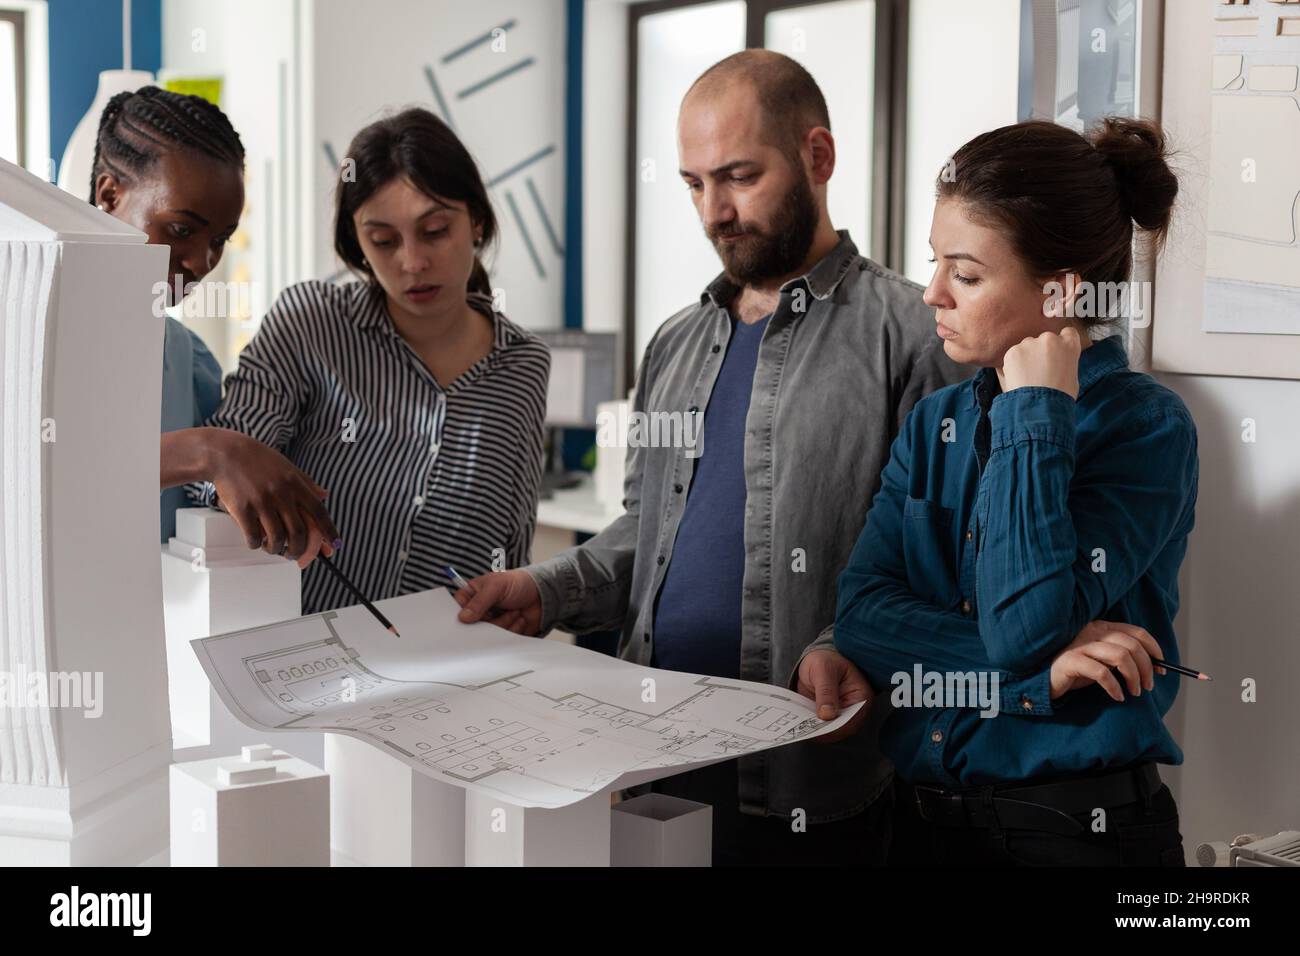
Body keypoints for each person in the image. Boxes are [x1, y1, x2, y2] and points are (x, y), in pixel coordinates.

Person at [455, 50, 968, 866]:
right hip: (655, 763)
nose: (714, 211)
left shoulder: (911, 333)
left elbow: (941, 558)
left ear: (818, 158)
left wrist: (846, 641)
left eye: (738, 177)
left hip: (814, 781)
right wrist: (544, 589)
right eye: (694, 184)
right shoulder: (676, 342)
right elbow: (645, 533)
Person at [833, 117, 1196, 866]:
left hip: (1068, 835)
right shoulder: (937, 419)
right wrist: (1042, 677)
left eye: (965, 275)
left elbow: (1023, 626)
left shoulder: (1146, 427)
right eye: (934, 264)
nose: (931, 293)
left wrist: (1037, 412)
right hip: (918, 824)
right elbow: (863, 617)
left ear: (1060, 292)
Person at [195, 107, 550, 615]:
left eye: (434, 231)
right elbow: (214, 481)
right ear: (358, 245)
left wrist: (522, 610)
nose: (412, 262)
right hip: (307, 658)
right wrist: (225, 464)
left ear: (476, 221)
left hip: (454, 665)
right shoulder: (310, 324)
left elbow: (511, 545)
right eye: (383, 241)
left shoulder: (523, 364)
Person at [90, 85, 339, 561]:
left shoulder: (190, 363)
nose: (203, 262)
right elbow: (34, 472)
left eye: (220, 239)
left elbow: (201, 509)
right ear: (108, 194)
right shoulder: (22, 335)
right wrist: (208, 450)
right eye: (181, 229)